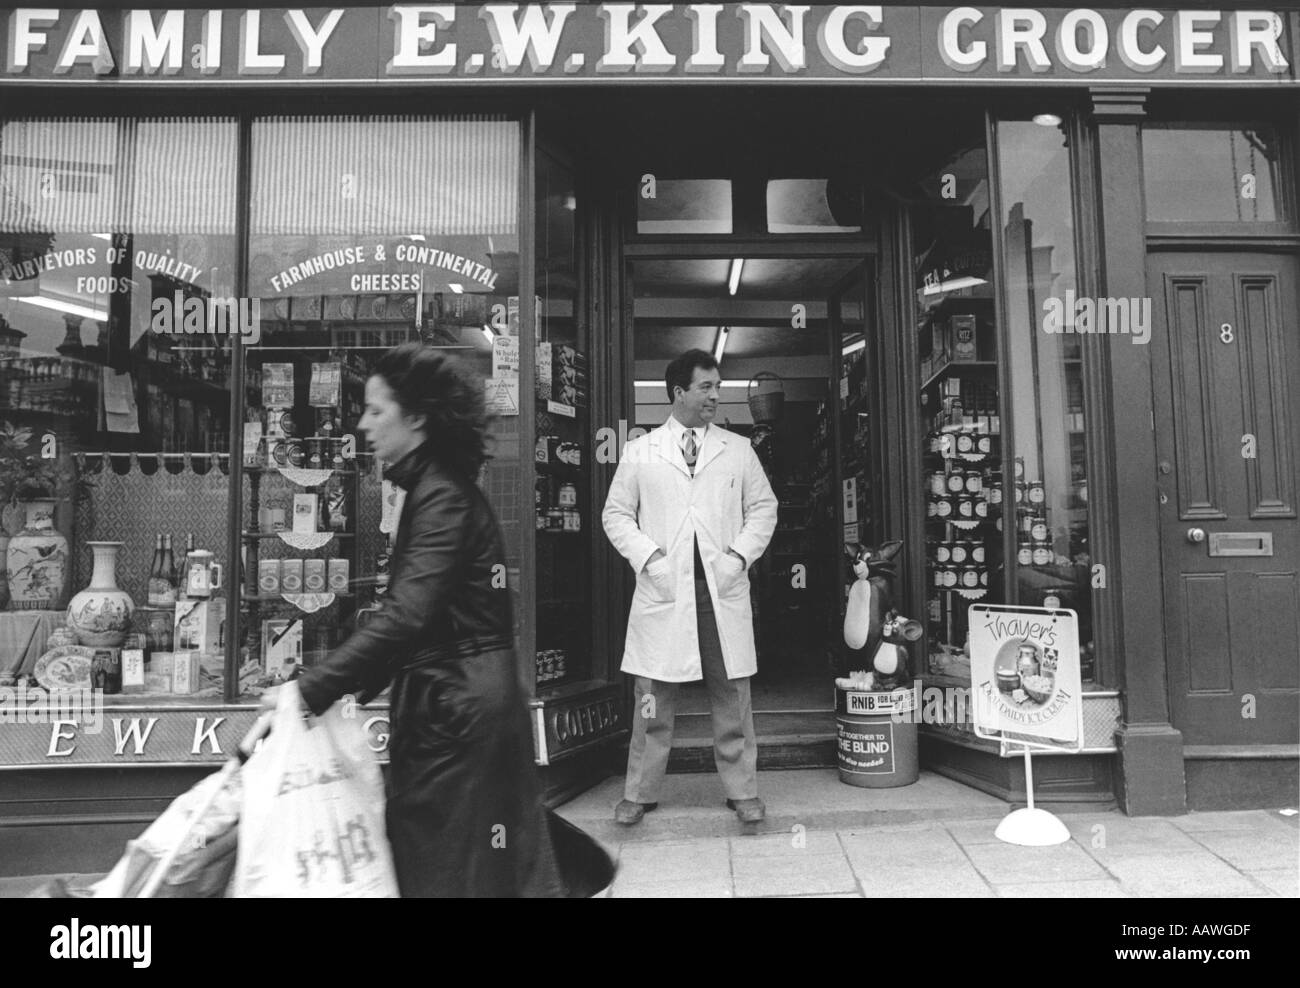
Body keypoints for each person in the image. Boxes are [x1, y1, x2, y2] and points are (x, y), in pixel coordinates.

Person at [267, 342, 566, 897]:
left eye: (377, 410)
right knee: (466, 869)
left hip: (459, 712)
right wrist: (339, 690)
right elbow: (417, 622)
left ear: (419, 417)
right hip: (458, 704)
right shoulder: (434, 490)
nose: (363, 424)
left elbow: (407, 617)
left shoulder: (441, 498)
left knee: (454, 871)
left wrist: (311, 691)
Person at [602, 349, 777, 826]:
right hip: (665, 590)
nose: (716, 396)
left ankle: (743, 792)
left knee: (732, 697)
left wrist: (738, 557)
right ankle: (639, 792)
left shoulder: (737, 449)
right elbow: (615, 514)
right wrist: (651, 559)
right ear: (678, 393)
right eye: (706, 387)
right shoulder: (641, 451)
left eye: (718, 387)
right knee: (653, 698)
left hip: (720, 590)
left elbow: (764, 509)